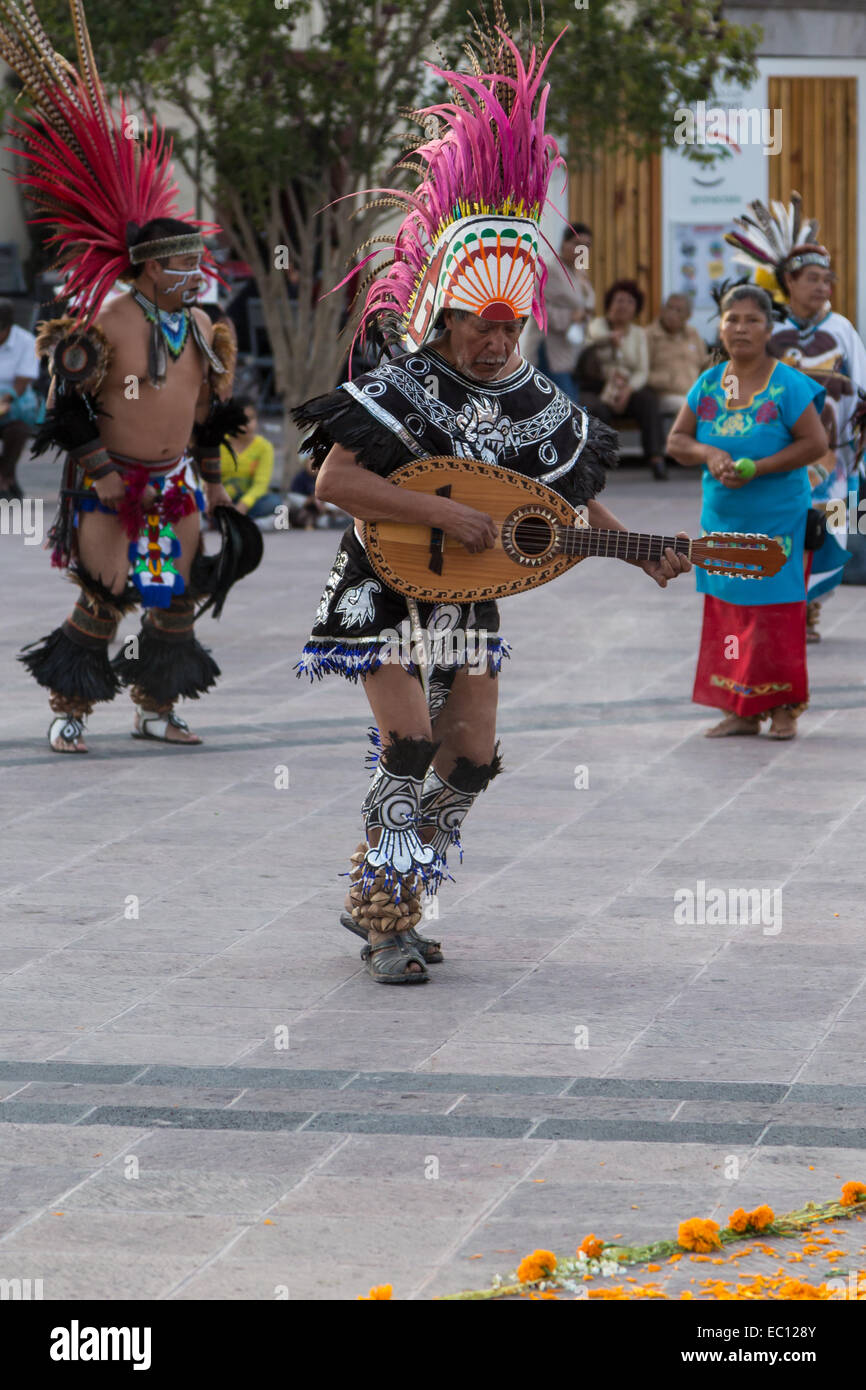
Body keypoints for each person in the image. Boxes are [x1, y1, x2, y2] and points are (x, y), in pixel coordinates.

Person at [292, 10, 692, 985]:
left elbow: (564, 487)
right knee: (408, 745)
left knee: (468, 757)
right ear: (448, 313)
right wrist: (439, 512)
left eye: (511, 328)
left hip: (468, 589)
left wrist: (636, 549)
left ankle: (395, 889)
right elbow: (334, 481)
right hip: (380, 585)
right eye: (483, 324)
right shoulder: (396, 385)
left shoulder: (526, 391)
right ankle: (387, 923)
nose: (497, 343)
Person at [3, 1, 245, 753]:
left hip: (173, 481)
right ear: (144, 267)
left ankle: (155, 706)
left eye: (195, 263)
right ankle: (70, 709)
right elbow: (63, 408)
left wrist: (210, 479)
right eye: (178, 264)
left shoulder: (204, 327)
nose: (191, 273)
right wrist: (101, 472)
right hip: (114, 484)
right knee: (105, 598)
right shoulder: (106, 321)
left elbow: (208, 414)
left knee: (174, 599)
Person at [667, 284, 827, 740]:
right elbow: (677, 442)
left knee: (775, 613)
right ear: (719, 325)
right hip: (723, 521)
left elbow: (815, 444)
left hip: (778, 521)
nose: (740, 328)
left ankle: (783, 708)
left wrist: (759, 466)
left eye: (751, 320)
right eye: (731, 318)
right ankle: (740, 708)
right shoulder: (709, 383)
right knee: (730, 614)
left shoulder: (788, 383)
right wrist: (707, 452)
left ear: (768, 328)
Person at [726, 193, 866, 641]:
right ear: (789, 280)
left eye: (828, 280)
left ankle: (807, 609)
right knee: (780, 531)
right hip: (778, 453)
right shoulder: (769, 329)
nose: (823, 287)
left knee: (829, 534)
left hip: (832, 455)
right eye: (813, 279)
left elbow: (860, 390)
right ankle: (784, 608)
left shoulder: (841, 329)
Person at [580, 279, 668, 480]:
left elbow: (642, 371)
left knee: (648, 400)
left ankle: (656, 458)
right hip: (597, 384)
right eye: (619, 300)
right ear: (610, 303)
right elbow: (593, 342)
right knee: (595, 408)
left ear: (636, 308)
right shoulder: (597, 325)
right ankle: (597, 462)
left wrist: (629, 390)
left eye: (629, 302)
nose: (623, 306)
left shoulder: (639, 333)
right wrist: (610, 338)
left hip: (626, 386)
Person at [525, 224, 595, 397]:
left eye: (586, 246)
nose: (581, 249)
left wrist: (585, 313)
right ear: (564, 243)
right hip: (548, 348)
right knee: (564, 404)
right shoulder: (548, 269)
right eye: (577, 243)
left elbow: (588, 304)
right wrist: (572, 316)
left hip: (571, 350)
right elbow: (537, 308)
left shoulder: (580, 273)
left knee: (571, 407)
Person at [0, 299, 41, 499]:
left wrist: (5, 400)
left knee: (19, 428)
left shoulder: (26, 341)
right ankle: (5, 477)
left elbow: (23, 380)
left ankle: (5, 476)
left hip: (15, 400)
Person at [220, 398, 283, 528]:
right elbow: (211, 480)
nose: (247, 424)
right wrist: (224, 500)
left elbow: (261, 484)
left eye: (251, 419)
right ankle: (246, 522)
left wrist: (244, 504)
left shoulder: (264, 447)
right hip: (223, 499)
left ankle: (231, 521)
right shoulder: (219, 444)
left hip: (251, 502)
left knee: (275, 502)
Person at [646, 294, 709, 415]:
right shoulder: (649, 335)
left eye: (678, 310)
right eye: (669, 308)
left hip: (695, 392)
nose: (672, 313)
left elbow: (704, 364)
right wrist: (666, 379)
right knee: (691, 406)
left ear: (688, 316)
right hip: (665, 395)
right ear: (662, 310)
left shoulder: (693, 334)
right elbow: (642, 373)